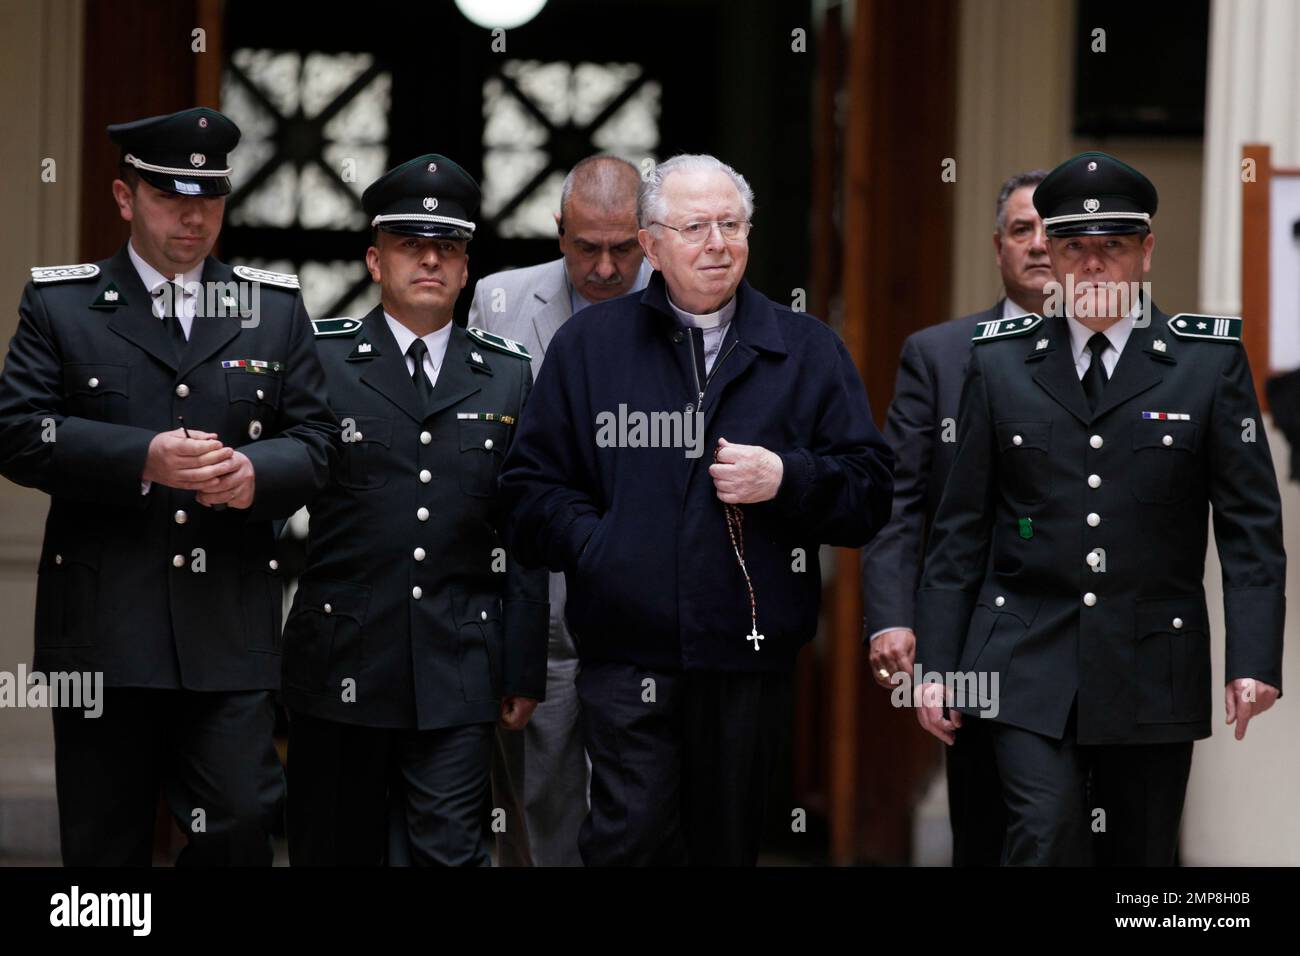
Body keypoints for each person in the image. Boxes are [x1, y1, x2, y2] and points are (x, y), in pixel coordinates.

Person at [499, 154, 894, 865]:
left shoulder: (805, 350)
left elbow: (870, 494)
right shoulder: (590, 347)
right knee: (628, 841)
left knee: (726, 847)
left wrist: (788, 478)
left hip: (748, 661)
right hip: (626, 653)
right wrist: (602, 547)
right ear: (652, 246)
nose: (718, 243)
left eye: (731, 224)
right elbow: (528, 492)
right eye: (695, 227)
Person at [914, 151, 1286, 865]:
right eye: (1073, 249)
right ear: (1047, 254)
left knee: (1139, 853)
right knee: (1044, 832)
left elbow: (1249, 529)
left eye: (1111, 248)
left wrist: (1254, 658)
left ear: (1146, 252)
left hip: (1152, 658)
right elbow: (961, 525)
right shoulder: (998, 362)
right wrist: (937, 663)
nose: (1091, 268)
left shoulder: (1206, 364)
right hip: (1021, 653)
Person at [0, 107, 335, 865]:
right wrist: (140, 458)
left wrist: (256, 475)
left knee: (244, 822)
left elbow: (319, 445)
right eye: (170, 198)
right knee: (103, 848)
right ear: (125, 199)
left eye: (210, 199)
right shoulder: (63, 305)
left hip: (228, 629)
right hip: (103, 630)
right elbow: (18, 432)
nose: (193, 218)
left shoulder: (272, 310)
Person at [283, 154, 547, 866]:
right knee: (335, 851)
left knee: (451, 855)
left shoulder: (508, 372)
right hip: (341, 657)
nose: (430, 261)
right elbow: (271, 508)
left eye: (448, 249)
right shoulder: (321, 358)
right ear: (375, 259)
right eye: (410, 246)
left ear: (466, 270)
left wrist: (523, 667)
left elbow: (522, 532)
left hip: (458, 664)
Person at [861, 169, 1049, 865]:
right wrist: (892, 616)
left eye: (1051, 230)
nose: (1037, 245)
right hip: (973, 637)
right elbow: (897, 500)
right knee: (987, 829)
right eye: (1021, 230)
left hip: (1092, 638)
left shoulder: (1121, 357)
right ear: (997, 247)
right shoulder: (939, 355)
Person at [467, 153, 648, 867]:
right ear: (558, 232)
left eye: (624, 248)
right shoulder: (501, 302)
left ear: (651, 236)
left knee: (638, 810)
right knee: (535, 813)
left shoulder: (688, 298)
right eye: (585, 247)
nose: (604, 268)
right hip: (539, 597)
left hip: (642, 603)